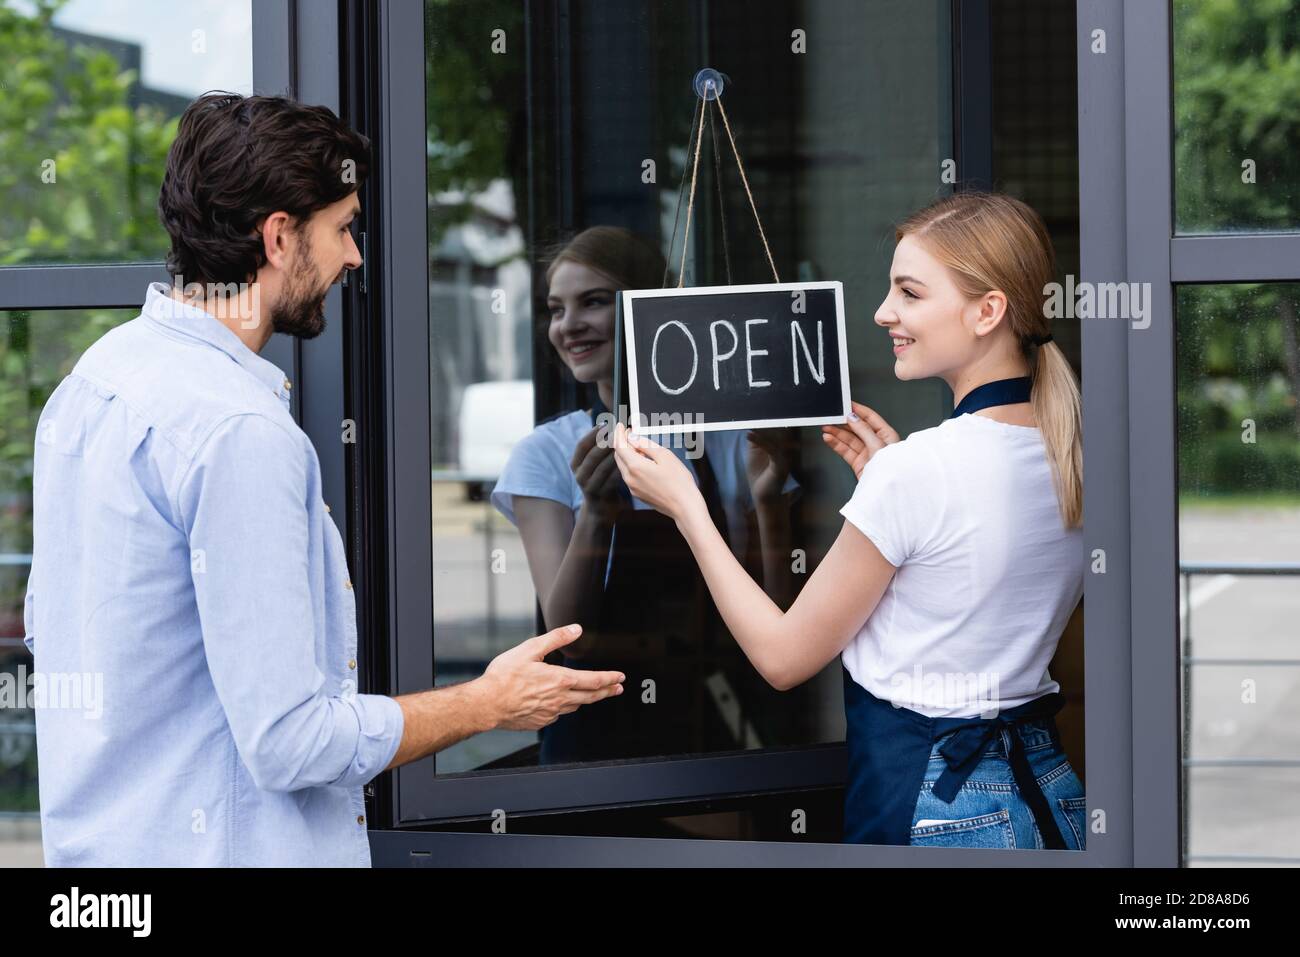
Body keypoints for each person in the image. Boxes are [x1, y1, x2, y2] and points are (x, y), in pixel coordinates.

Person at [22, 92, 622, 867]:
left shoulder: (92, 383)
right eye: (341, 228)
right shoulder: (239, 432)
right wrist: (487, 703)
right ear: (277, 237)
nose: (354, 258)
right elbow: (289, 742)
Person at [612, 192, 1088, 849]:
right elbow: (970, 572)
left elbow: (782, 658)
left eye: (910, 293)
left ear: (988, 311)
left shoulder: (919, 472)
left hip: (940, 803)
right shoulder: (1072, 449)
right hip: (1048, 793)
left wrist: (688, 508)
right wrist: (890, 489)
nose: (883, 312)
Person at [490, 226, 800, 763]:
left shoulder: (731, 439)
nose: (569, 326)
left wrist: (770, 502)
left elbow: (784, 622)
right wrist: (597, 513)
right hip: (593, 750)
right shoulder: (545, 453)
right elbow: (569, 638)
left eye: (593, 302)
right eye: (556, 309)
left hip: (717, 741)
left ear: (647, 311)